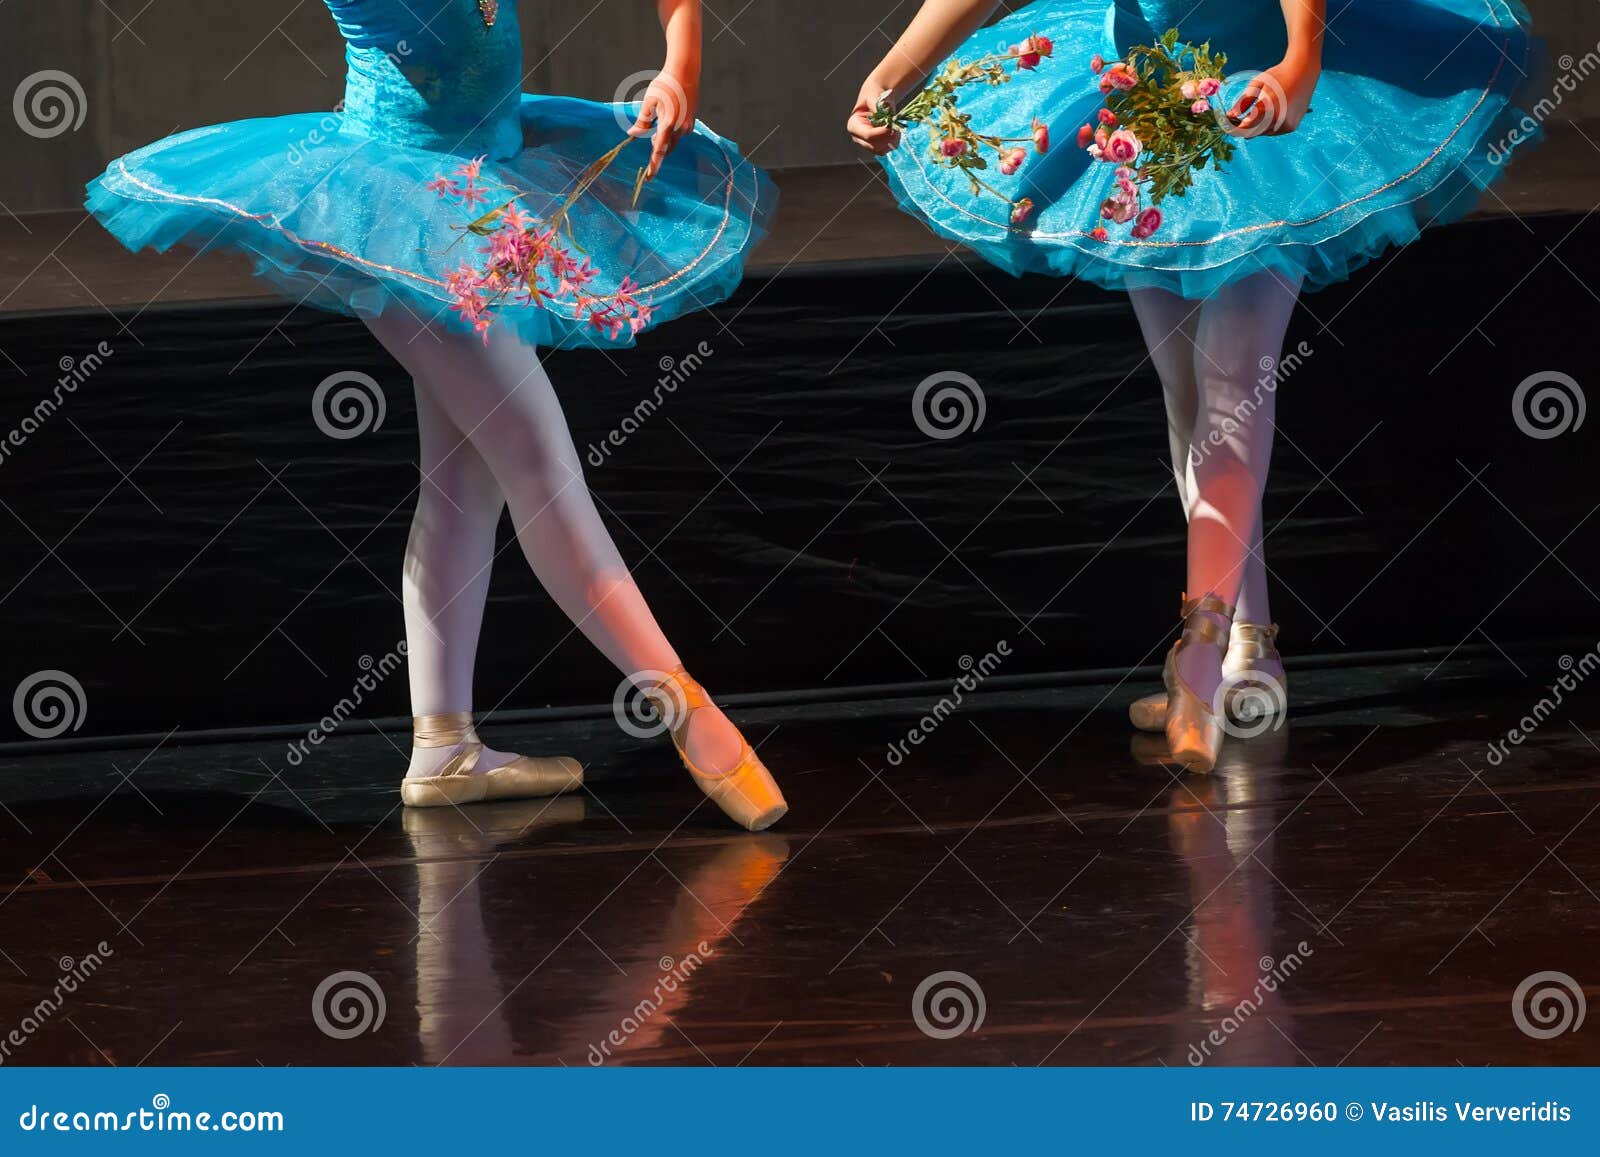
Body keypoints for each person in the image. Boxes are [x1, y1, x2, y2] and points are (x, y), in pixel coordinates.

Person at [87, 0, 787, 830]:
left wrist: (679, 69)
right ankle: (683, 707)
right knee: (535, 456)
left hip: (495, 179)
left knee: (464, 479)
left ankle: (443, 746)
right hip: (394, 206)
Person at [848, 0, 1538, 770]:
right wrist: (891, 74)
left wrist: (1300, 62)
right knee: (1187, 392)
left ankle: (1201, 656)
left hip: (1256, 98)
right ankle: (1251, 647)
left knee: (1232, 381)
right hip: (1140, 93)